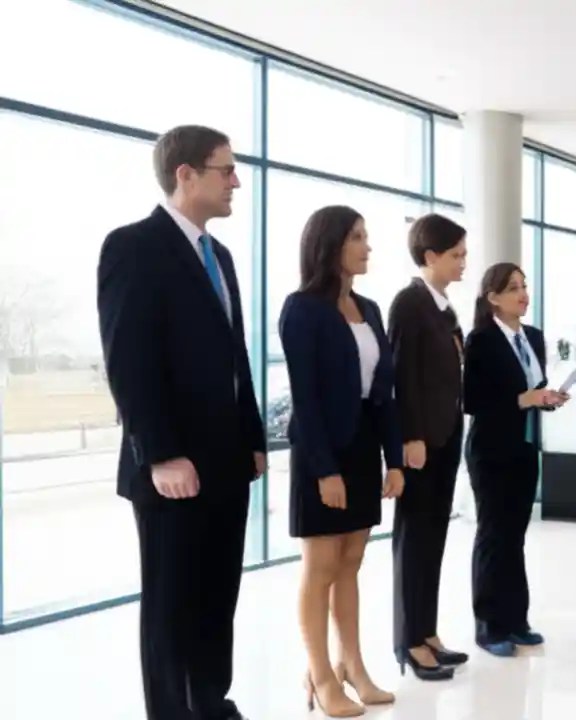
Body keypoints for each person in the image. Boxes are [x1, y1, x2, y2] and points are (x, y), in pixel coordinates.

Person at [96, 124, 265, 720]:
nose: (236, 181)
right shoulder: (133, 247)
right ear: (185, 174)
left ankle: (211, 704)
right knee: (173, 606)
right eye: (227, 169)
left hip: (227, 461)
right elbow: (128, 361)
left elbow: (236, 356)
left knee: (217, 597)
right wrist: (161, 453)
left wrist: (253, 437)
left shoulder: (220, 257)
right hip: (173, 467)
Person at [278, 205, 405, 717]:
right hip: (321, 451)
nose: (367, 246)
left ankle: (352, 665)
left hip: (363, 449)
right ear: (329, 245)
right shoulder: (301, 309)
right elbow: (304, 398)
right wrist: (324, 469)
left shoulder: (369, 309)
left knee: (351, 562)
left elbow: (384, 394)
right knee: (321, 567)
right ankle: (320, 675)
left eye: (366, 236)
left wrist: (393, 459)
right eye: (357, 237)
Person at [462, 262, 568, 657]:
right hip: (491, 451)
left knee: (515, 536)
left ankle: (516, 621)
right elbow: (473, 401)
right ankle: (489, 627)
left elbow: (534, 388)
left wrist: (547, 398)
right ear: (493, 298)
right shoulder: (481, 340)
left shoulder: (533, 337)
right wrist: (525, 399)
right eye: (513, 288)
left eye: (524, 286)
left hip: (524, 447)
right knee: (494, 536)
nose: (523, 294)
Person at [387, 213, 471, 679]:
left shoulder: (444, 308)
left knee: (434, 537)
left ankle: (427, 631)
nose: (463, 262)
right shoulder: (409, 304)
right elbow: (403, 375)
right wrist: (410, 436)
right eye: (456, 254)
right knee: (414, 540)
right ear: (430, 255)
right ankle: (408, 641)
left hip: (446, 435)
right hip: (422, 441)